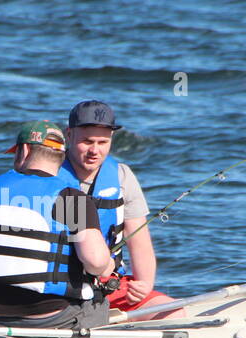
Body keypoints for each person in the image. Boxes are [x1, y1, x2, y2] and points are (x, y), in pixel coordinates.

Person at [0, 120, 115, 330]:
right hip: (49, 317)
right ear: (61, 157)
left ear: (24, 151)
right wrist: (109, 265)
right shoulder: (72, 198)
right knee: (99, 303)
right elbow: (95, 263)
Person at [62, 100, 179, 318]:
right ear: (69, 135)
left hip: (107, 284)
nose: (94, 150)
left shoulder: (121, 176)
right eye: (87, 141)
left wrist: (143, 284)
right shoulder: (50, 174)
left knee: (172, 312)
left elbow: (139, 240)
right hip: (59, 284)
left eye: (102, 142)